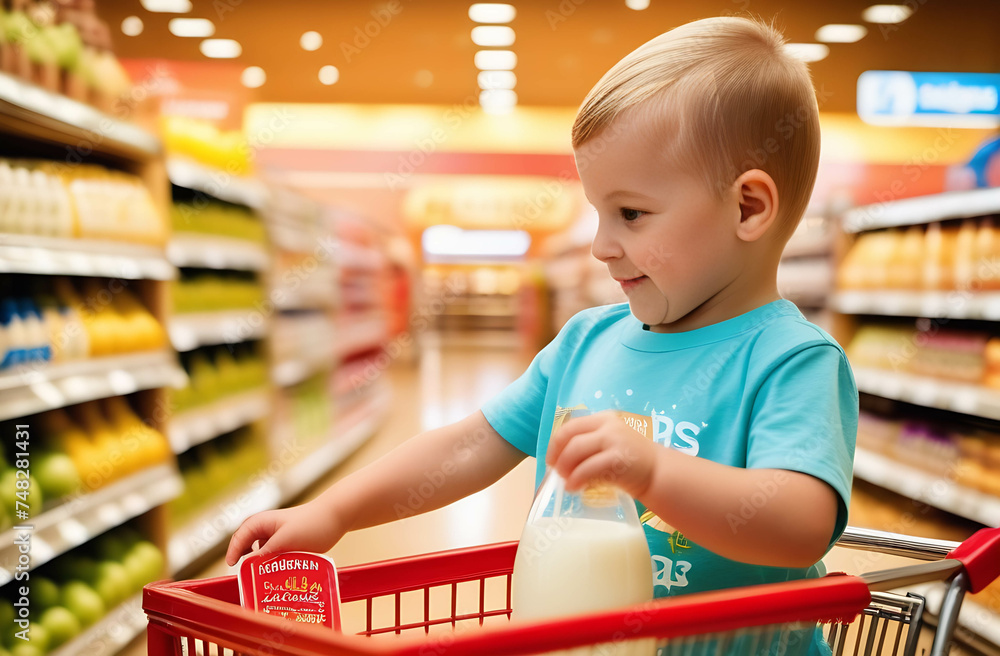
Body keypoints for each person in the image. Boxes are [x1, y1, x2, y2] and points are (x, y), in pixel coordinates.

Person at [227, 13, 857, 643]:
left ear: (748, 207)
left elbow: (799, 521)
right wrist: (333, 511)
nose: (602, 246)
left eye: (632, 214)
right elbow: (466, 446)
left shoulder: (791, 360)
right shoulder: (585, 343)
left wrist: (655, 474)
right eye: (598, 214)